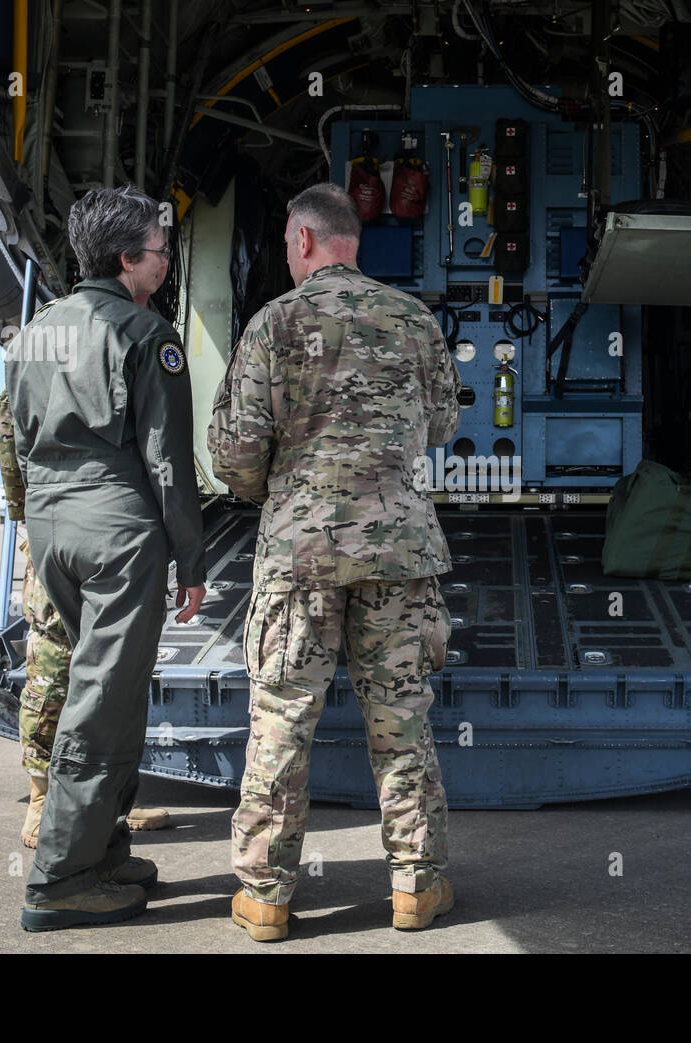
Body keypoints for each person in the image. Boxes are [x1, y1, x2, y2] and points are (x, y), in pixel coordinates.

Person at [208, 182, 462, 942]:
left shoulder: (273, 323)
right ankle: (418, 887)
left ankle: (265, 897)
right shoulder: (413, 320)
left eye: (289, 245)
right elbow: (444, 423)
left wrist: (279, 494)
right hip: (400, 549)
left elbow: (234, 451)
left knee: (283, 720)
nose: (289, 255)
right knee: (402, 718)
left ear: (307, 241)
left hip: (300, 554)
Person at [5, 184, 207, 931]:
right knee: (100, 702)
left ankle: (103, 850)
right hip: (118, 531)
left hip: (53, 528)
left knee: (111, 694)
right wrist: (194, 557)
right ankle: (59, 879)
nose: (166, 259)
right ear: (129, 260)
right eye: (160, 249)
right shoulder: (146, 333)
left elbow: (20, 440)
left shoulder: (34, 332)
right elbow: (166, 460)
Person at [0, 389, 171, 849]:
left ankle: (106, 802)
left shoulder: (111, 377)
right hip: (59, 531)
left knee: (113, 670)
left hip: (106, 535)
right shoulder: (26, 385)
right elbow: (15, 475)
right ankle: (41, 799)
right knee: (52, 666)